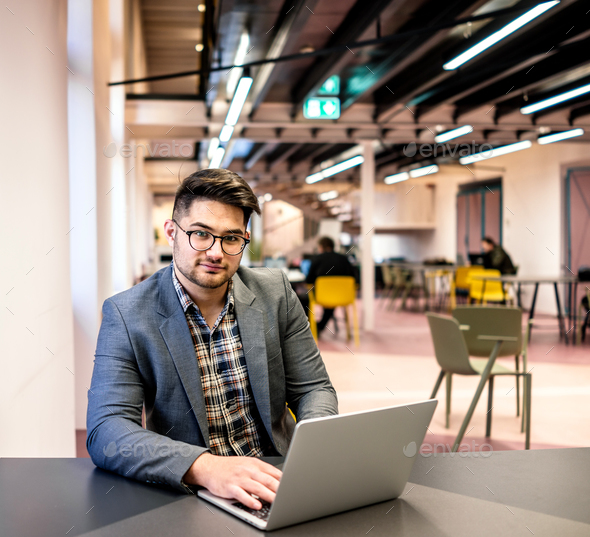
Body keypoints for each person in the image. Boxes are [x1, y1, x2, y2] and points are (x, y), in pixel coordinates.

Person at [87, 169, 338, 511]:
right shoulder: (128, 314)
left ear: (244, 239)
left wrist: (313, 450)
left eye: (231, 238)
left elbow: (313, 389)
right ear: (172, 233)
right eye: (201, 234)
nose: (216, 252)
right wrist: (205, 467)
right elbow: (107, 430)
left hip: (280, 477)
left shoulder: (275, 293)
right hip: (193, 492)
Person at [305, 237, 356, 335]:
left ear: (321, 247)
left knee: (303, 298)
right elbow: (354, 278)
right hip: (343, 296)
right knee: (331, 301)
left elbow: (309, 280)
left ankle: (310, 327)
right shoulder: (344, 259)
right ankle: (320, 326)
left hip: (322, 296)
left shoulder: (317, 258)